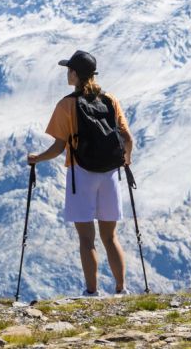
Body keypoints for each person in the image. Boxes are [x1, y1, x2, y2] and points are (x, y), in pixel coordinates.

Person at [28, 50, 135, 296]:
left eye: (69, 70)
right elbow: (127, 138)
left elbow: (58, 147)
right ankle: (121, 289)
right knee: (110, 237)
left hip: (81, 174)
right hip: (109, 174)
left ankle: (92, 292)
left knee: (87, 239)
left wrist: (36, 158)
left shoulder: (67, 105)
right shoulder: (110, 100)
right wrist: (126, 161)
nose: (67, 74)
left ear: (75, 74)